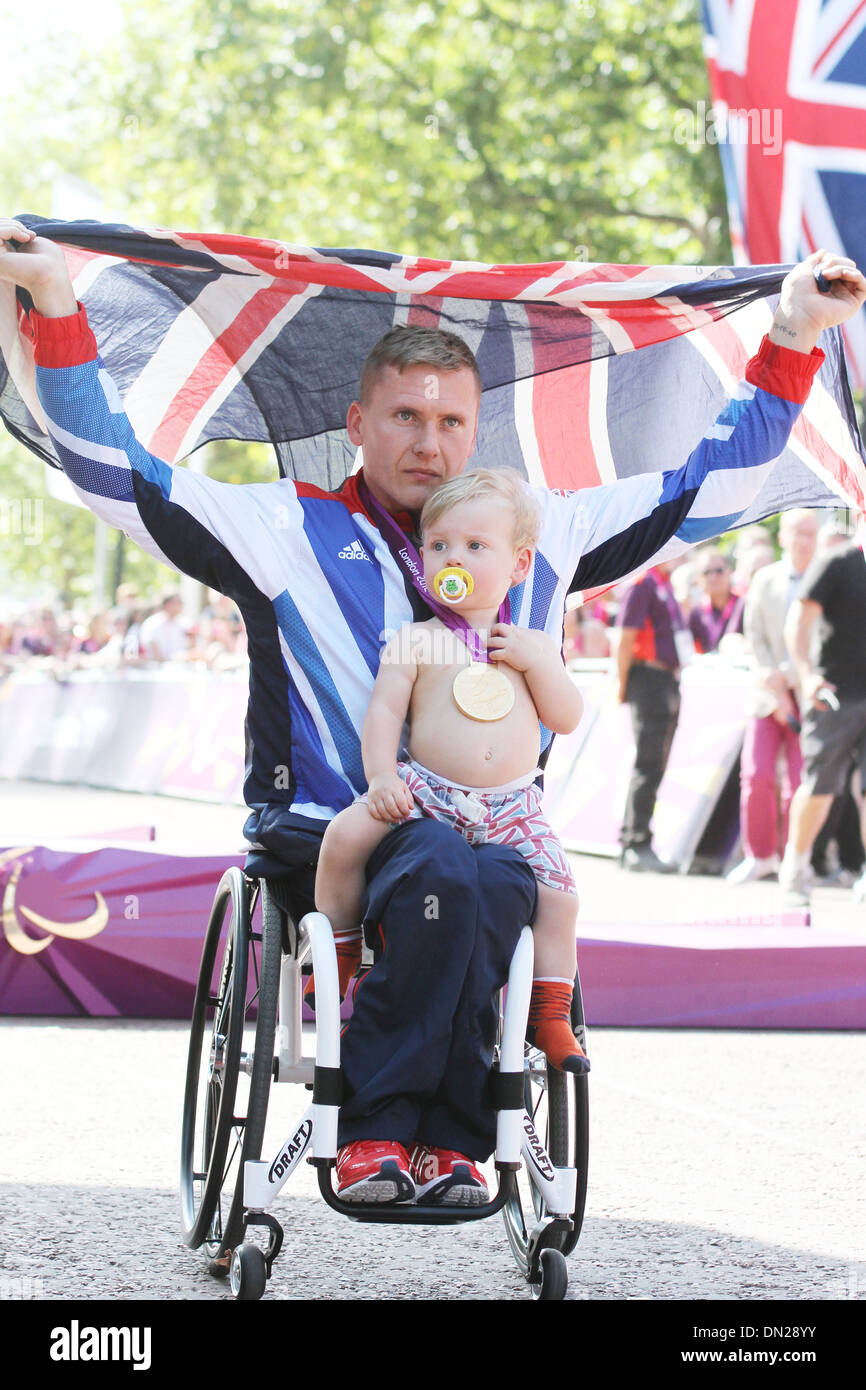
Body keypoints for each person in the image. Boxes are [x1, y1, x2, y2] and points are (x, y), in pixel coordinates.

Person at [2, 217, 863, 1201]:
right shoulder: (283, 526)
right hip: (331, 832)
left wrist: (794, 331)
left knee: (483, 877)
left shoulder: (543, 533)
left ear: (475, 430)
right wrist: (58, 307)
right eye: (405, 416)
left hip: (492, 834)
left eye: (452, 421)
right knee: (450, 873)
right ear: (356, 422)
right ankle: (380, 1132)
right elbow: (118, 475)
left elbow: (710, 485)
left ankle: (450, 1145)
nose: (429, 441)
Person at [315, 470, 588, 1202]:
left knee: (548, 893)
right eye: (438, 546)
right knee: (351, 837)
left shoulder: (525, 645)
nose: (453, 559)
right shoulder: (417, 641)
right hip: (431, 803)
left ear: (519, 564)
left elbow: (566, 717)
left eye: (474, 545)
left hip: (508, 812)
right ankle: (337, 946)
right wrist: (382, 777)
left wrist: (540, 662)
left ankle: (544, 1017)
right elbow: (383, 714)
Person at [727, 509, 819, 885]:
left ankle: (795, 858)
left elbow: (825, 640)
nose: (804, 541)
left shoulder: (826, 579)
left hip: (808, 695)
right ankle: (760, 856)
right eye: (798, 532)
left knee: (802, 783)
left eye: (810, 533)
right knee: (757, 774)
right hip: (766, 695)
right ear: (782, 537)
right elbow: (755, 636)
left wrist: (792, 678)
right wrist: (773, 681)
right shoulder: (765, 579)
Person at [778, 534, 866, 905]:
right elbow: (798, 623)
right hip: (833, 694)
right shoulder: (837, 561)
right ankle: (796, 867)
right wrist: (807, 675)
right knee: (820, 785)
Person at [615, 558, 689, 872]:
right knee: (648, 763)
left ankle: (637, 839)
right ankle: (635, 842)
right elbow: (625, 637)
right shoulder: (644, 582)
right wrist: (621, 684)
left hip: (666, 678)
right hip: (648, 678)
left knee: (655, 764)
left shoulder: (662, 583)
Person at [688, 547, 744, 653]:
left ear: (729, 572)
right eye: (706, 572)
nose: (713, 577)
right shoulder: (695, 612)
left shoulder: (744, 604)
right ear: (698, 578)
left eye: (719, 571)